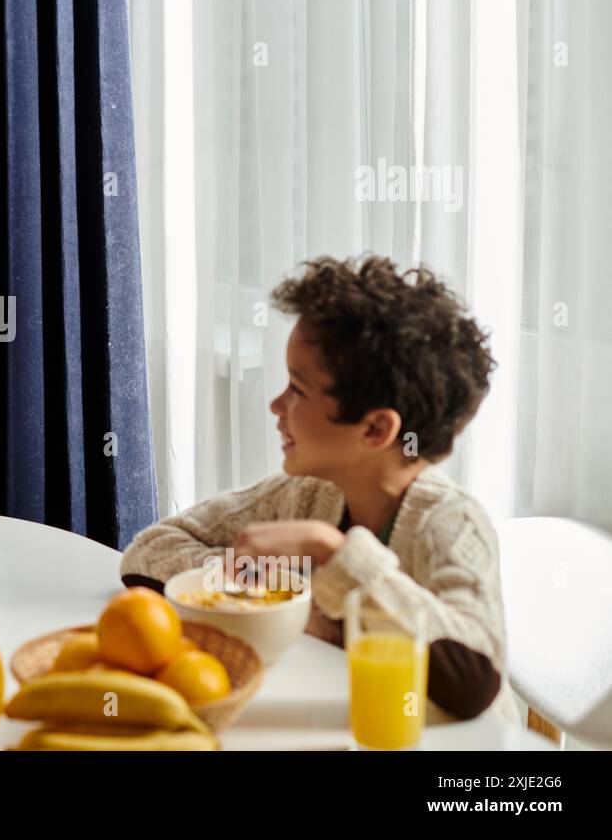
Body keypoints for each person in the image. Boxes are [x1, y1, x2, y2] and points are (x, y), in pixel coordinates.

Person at [120, 256, 516, 721]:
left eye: (297, 389)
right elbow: (147, 555)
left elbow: (475, 679)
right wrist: (284, 599)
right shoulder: (309, 494)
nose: (275, 405)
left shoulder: (450, 523)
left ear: (374, 429)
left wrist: (332, 553)